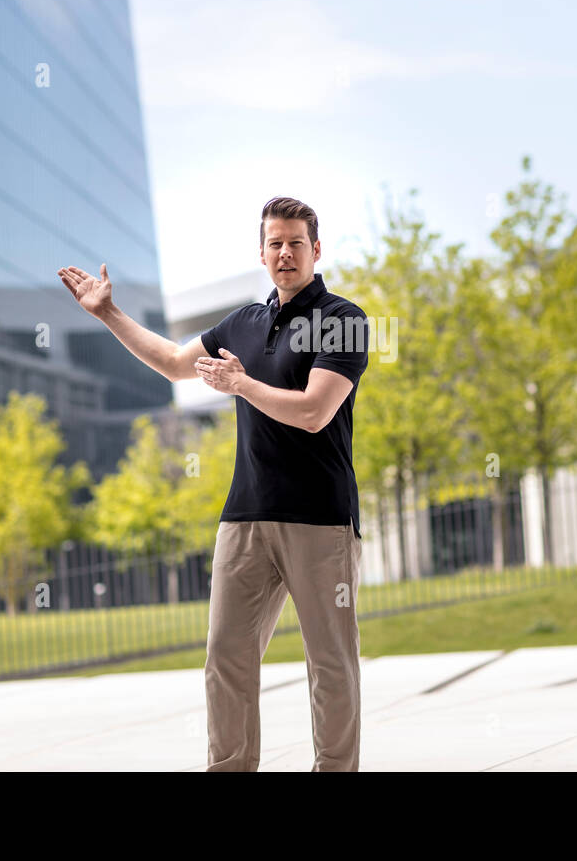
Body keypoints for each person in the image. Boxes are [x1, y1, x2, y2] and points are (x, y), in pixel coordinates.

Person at [57, 196, 369, 771]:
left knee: (330, 664)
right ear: (261, 252)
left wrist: (241, 384)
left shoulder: (344, 321)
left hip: (320, 521)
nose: (285, 253)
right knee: (226, 658)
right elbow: (176, 362)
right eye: (275, 243)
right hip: (245, 517)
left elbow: (313, 412)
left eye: (296, 242)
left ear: (316, 250)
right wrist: (108, 313)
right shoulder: (242, 324)